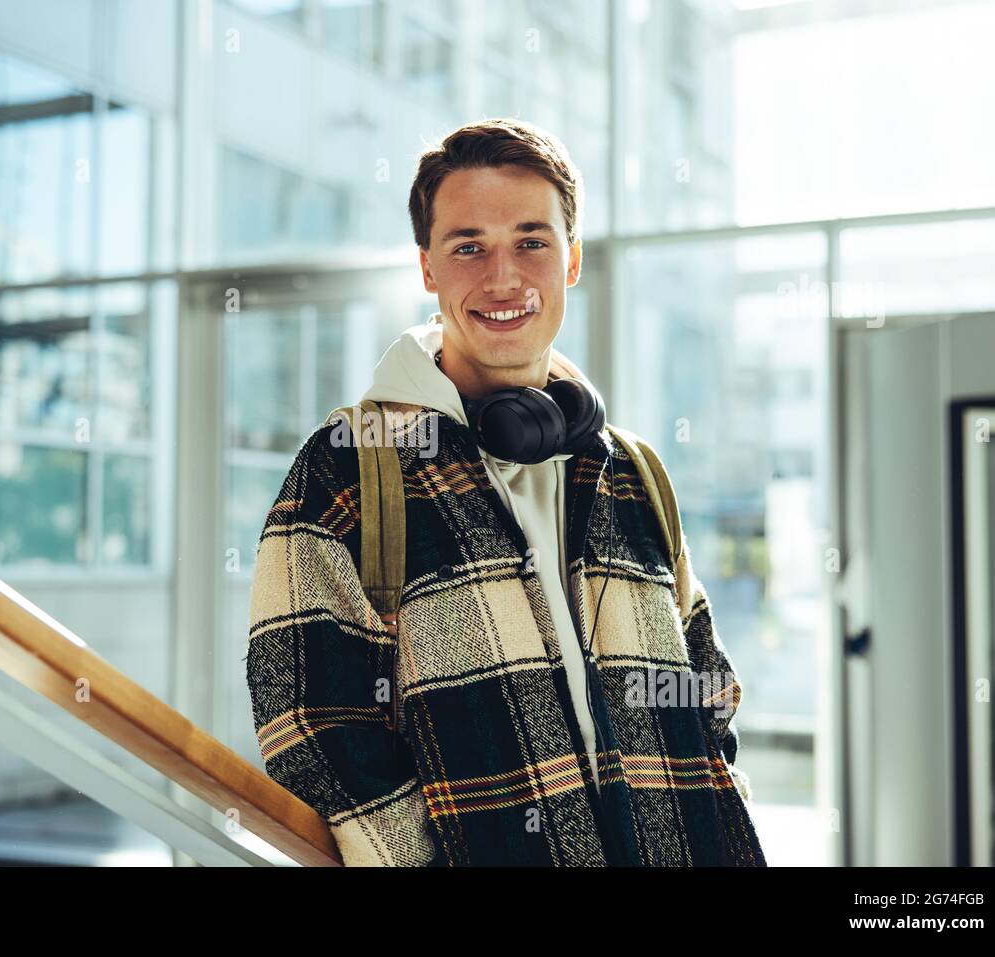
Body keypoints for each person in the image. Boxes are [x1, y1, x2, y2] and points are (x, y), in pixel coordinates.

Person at [246, 119, 766, 866]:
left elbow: (706, 693)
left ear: (573, 260)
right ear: (427, 267)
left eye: (532, 241)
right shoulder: (350, 467)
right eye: (468, 247)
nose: (503, 279)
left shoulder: (632, 472)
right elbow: (310, 726)